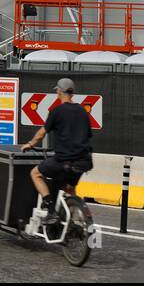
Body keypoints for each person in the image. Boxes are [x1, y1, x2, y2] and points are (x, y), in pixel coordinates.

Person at [21, 77, 94, 220]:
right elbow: (87, 135)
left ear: (59, 92)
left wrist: (29, 144)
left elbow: (41, 134)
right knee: (69, 188)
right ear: (72, 93)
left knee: (35, 174)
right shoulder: (83, 112)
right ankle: (74, 220)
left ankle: (50, 209)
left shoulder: (57, 111)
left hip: (64, 160)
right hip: (83, 161)